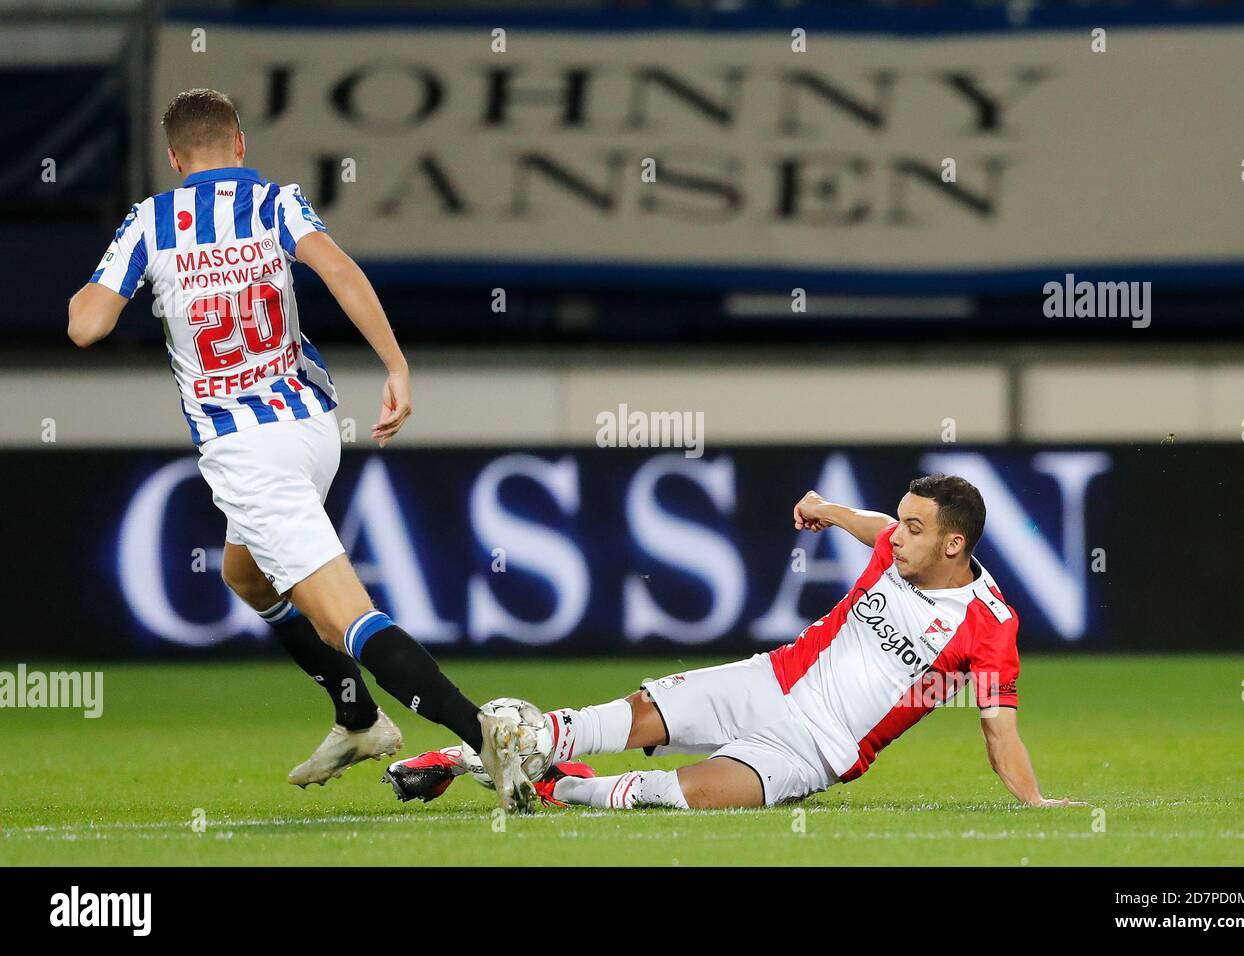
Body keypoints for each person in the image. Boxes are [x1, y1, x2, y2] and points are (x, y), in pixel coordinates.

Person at [67, 88, 531, 808]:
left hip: (246, 451)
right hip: (314, 428)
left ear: (173, 159)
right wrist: (396, 366)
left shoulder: (150, 222)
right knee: (246, 576)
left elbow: (87, 327)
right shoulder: (277, 202)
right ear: (240, 146)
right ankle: (356, 716)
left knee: (345, 617)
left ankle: (485, 738)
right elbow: (340, 272)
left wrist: (99, 290)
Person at [386, 475, 1085, 811]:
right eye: (900, 522)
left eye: (915, 528)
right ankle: (466, 747)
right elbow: (871, 524)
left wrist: (1035, 802)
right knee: (616, 719)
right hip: (769, 679)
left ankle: (542, 781)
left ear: (953, 545)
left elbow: (999, 731)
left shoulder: (988, 625)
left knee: (669, 797)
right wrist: (825, 510)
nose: (897, 535)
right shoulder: (894, 548)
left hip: (812, 750)